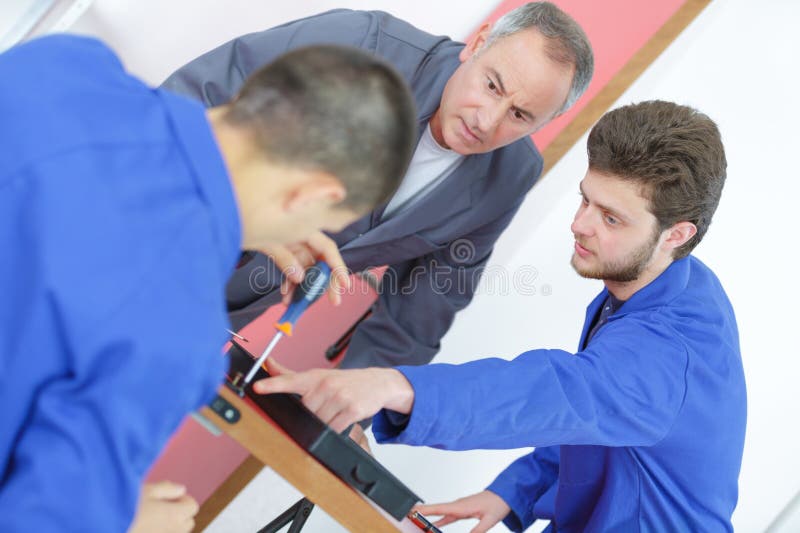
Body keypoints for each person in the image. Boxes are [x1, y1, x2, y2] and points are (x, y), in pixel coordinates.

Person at [255, 101, 747, 531]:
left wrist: (396, 387)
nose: (580, 225)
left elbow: (561, 392)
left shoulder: (670, 351)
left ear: (677, 235)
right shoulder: (662, 285)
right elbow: (600, 419)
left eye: (611, 218)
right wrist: (516, 493)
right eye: (585, 199)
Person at [0, 36, 415, 531]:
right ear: (312, 194)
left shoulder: (63, 63)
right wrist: (123, 521)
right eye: (328, 218)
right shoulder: (180, 337)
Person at [162, 2, 595, 370]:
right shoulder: (360, 42)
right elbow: (185, 107)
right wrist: (244, 212)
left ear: (546, 122)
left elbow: (418, 315)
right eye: (491, 85)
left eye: (520, 116)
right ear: (479, 43)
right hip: (145, 241)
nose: (487, 120)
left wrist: (349, 409)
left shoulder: (509, 178)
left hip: (217, 319)